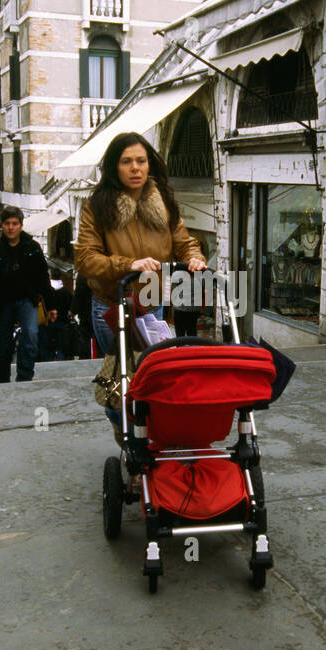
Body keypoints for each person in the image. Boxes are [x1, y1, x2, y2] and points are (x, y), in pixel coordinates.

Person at [74, 132, 206, 440]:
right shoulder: (97, 206)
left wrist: (195, 257)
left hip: (152, 299)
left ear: (149, 164)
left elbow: (184, 242)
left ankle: (146, 435)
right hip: (112, 304)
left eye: (141, 161)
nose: (135, 168)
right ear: (114, 167)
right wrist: (125, 265)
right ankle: (125, 429)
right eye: (126, 162)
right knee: (123, 379)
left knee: (150, 375)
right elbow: (84, 258)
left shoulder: (163, 202)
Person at [0, 205, 53, 382]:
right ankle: (2, 378)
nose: (11, 227)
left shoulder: (32, 247)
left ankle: (25, 376)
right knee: (2, 342)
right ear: (1, 225)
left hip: (27, 299)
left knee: (31, 335)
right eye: (7, 223)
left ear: (21, 225)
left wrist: (51, 305)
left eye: (14, 223)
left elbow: (43, 277)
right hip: (2, 301)